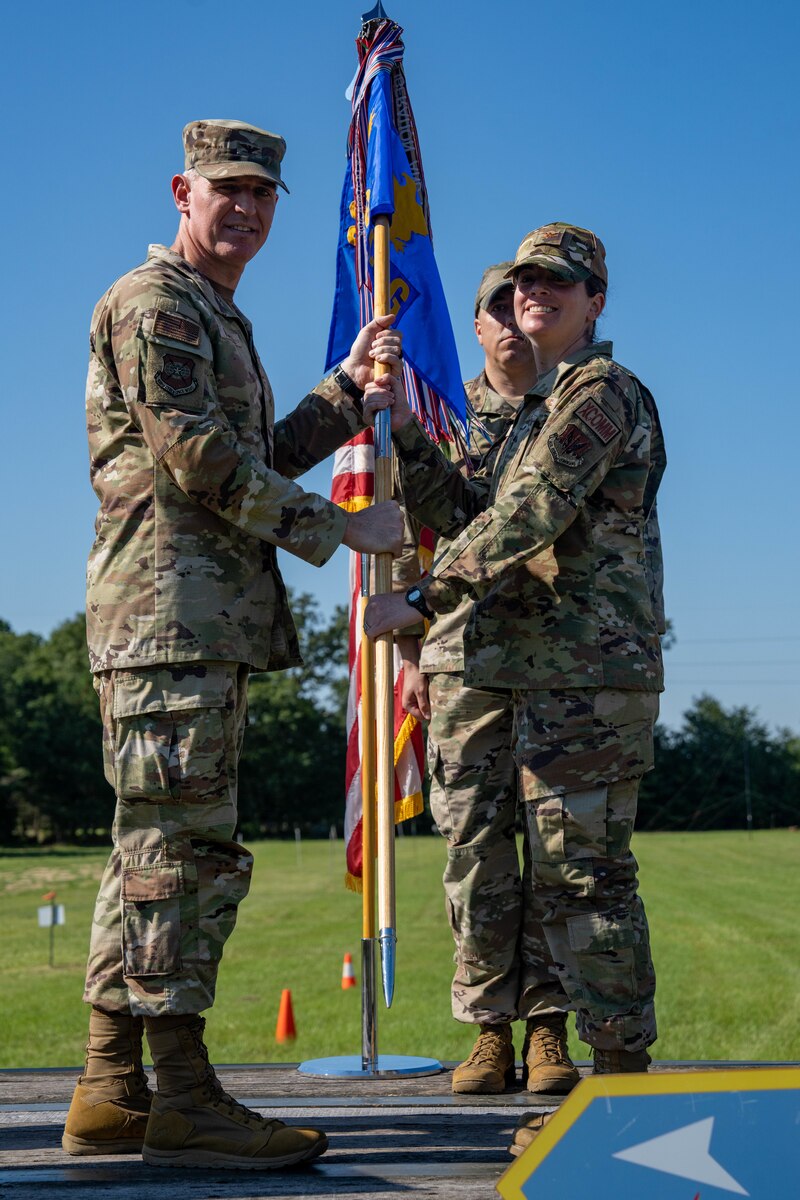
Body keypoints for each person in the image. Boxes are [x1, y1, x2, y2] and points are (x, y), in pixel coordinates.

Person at [63, 118, 403, 1170]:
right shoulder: (156, 302)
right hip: (169, 620)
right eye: (230, 190)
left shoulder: (215, 314)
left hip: (198, 623)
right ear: (183, 189)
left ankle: (111, 1090)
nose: (248, 211)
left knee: (153, 856)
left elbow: (252, 450)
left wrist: (343, 394)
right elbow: (196, 457)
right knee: (181, 859)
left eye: (263, 196)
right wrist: (336, 528)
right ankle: (182, 1097)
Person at [362, 223, 666, 1153]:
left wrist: (416, 597)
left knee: (584, 874)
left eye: (558, 284)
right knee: (487, 858)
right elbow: (466, 512)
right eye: (522, 282)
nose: (535, 295)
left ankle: (617, 1085)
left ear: (596, 300)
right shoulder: (509, 409)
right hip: (505, 669)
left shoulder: (601, 392)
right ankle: (503, 1035)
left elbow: (537, 511)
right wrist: (410, 436)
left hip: (585, 674)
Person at [393, 265, 580, 1097]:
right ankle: (488, 1031)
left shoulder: (571, 409)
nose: (512, 318)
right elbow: (411, 530)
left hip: (554, 660)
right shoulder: (443, 413)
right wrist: (406, 657)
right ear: (473, 326)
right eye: (494, 307)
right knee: (474, 847)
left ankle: (549, 1030)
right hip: (460, 659)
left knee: (554, 848)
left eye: (522, 303)